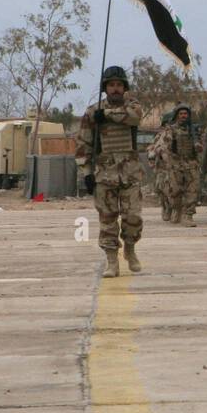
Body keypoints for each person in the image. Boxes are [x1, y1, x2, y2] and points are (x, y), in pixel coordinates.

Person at [76, 66, 145, 278]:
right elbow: (84, 143)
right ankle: (112, 260)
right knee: (107, 219)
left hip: (130, 173)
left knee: (133, 216)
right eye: (111, 85)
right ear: (105, 88)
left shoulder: (132, 106)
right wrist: (86, 172)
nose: (115, 89)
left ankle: (130, 248)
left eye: (119, 85)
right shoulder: (91, 113)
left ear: (124, 87)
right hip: (104, 173)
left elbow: (133, 118)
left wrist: (105, 114)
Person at [166, 104, 199, 226]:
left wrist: (199, 145)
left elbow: (201, 143)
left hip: (191, 163)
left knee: (192, 190)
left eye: (185, 114)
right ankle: (176, 209)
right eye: (181, 114)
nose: (183, 116)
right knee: (175, 190)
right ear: (176, 116)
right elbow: (166, 144)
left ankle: (188, 215)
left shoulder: (194, 130)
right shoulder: (171, 129)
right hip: (175, 164)